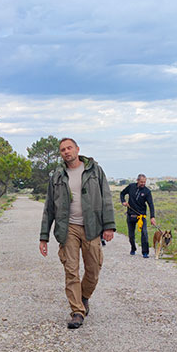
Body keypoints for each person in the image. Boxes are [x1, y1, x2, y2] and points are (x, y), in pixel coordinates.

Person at [39, 138, 116, 329]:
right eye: (63, 150)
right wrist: (44, 236)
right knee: (71, 270)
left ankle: (83, 297)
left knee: (94, 269)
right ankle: (76, 311)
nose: (66, 152)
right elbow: (49, 207)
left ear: (77, 149)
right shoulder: (57, 175)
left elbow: (106, 197)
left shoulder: (95, 170)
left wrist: (109, 226)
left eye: (69, 148)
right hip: (68, 228)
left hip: (92, 227)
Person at [120, 174, 157, 257]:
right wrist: (123, 202)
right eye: (141, 182)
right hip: (130, 215)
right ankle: (133, 248)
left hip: (141, 216)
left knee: (144, 233)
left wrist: (152, 217)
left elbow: (151, 205)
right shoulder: (131, 187)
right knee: (131, 235)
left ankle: (145, 252)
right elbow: (122, 193)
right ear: (137, 181)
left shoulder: (147, 191)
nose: (143, 184)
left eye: (144, 182)